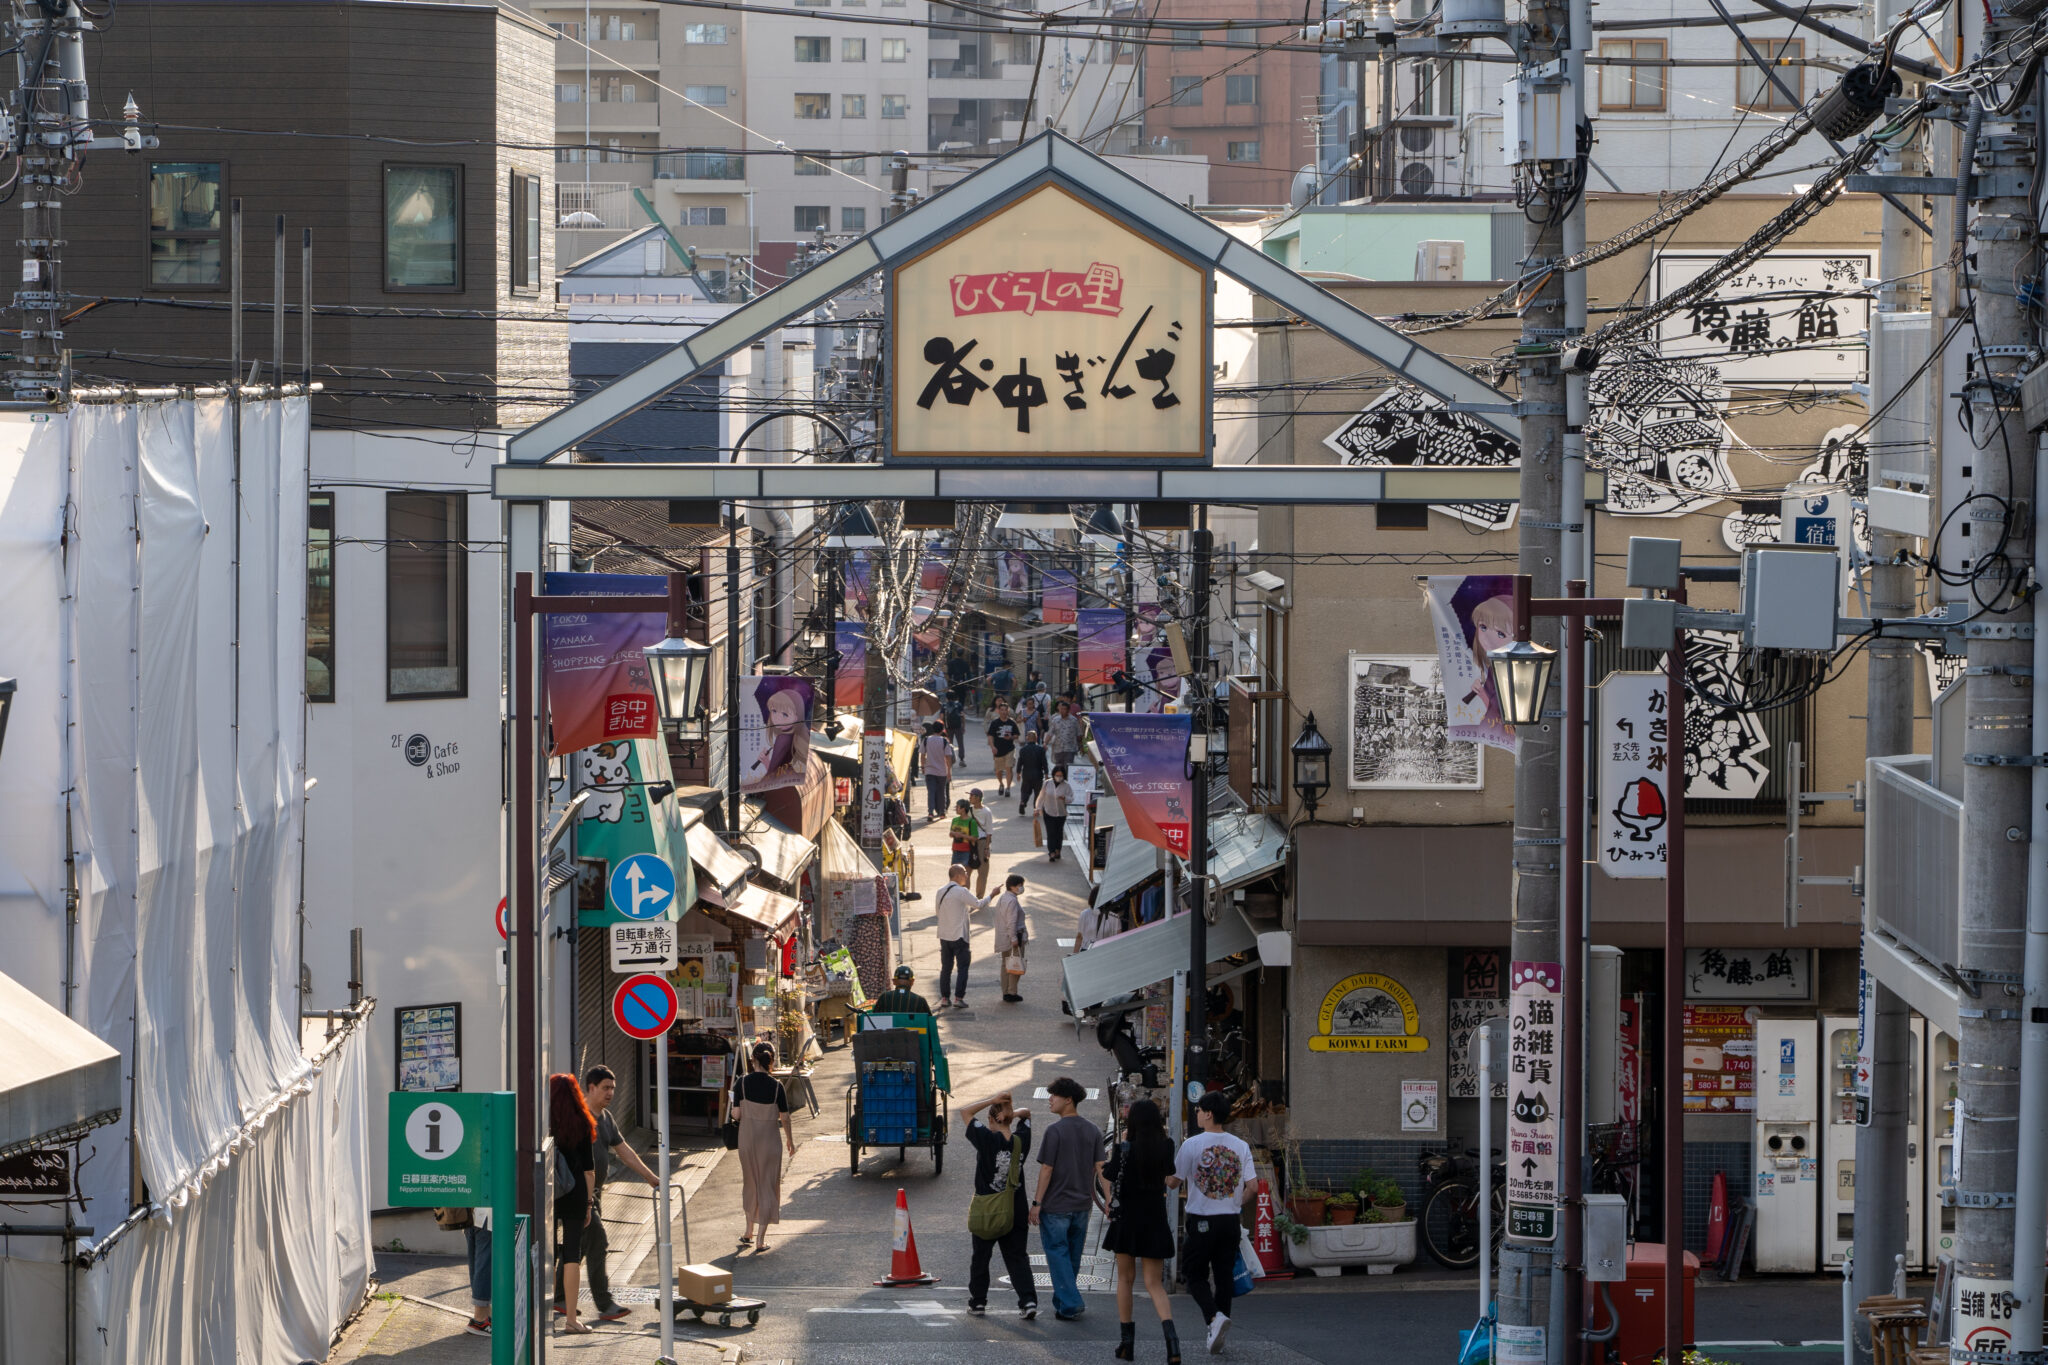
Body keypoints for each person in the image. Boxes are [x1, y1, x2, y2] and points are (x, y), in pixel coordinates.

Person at [556, 1065, 660, 1323]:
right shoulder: (578, 1118)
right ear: (590, 1088)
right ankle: (604, 1304)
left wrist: (650, 1177)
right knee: (598, 1241)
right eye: (605, 1088)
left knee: (577, 1248)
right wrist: (587, 1200)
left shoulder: (606, 1118)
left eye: (613, 1088)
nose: (611, 1093)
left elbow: (624, 1151)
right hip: (581, 1195)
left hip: (596, 1194)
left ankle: (559, 1298)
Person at [1175, 1091, 1256, 1353]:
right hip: (1230, 1221)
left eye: (1199, 1110)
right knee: (1223, 1277)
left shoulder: (1191, 1144)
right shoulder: (1240, 1145)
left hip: (1202, 1220)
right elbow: (1253, 1187)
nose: (1197, 1113)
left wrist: (1165, 1175)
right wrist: (1234, 1203)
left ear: (1209, 1113)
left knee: (1194, 1274)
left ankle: (1214, 1318)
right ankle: (1217, 1335)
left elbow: (1174, 1180)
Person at [1101, 1099, 1180, 1364]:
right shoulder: (1165, 1146)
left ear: (1132, 1121)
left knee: (1125, 1279)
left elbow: (1110, 1174)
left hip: (1127, 1221)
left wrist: (1121, 1144)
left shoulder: (1125, 1148)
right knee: (1154, 1284)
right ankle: (1172, 1344)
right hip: (1154, 1220)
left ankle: (1127, 1344)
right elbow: (1169, 1174)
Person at [1030, 1075, 1104, 1322]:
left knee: (1057, 1254)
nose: (1049, 1100)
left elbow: (1046, 1170)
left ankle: (1071, 1303)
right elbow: (1101, 1168)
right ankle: (1062, 1303)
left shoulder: (1054, 1131)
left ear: (1068, 1100)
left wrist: (1036, 1204)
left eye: (1054, 1096)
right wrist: (1110, 1200)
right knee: (1072, 1257)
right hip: (1082, 1205)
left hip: (1056, 1205)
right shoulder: (1093, 1130)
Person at [961, 1091, 1038, 1320]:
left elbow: (965, 1112)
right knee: (1017, 1257)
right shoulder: (1021, 1139)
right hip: (1015, 1209)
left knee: (981, 1257)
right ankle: (1028, 1300)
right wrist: (1012, 1112)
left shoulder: (986, 1139)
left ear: (993, 1120)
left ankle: (978, 1302)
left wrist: (992, 1101)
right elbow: (1027, 1114)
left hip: (988, 1210)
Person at [548, 1073, 599, 1334]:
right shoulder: (582, 1122)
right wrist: (589, 1204)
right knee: (572, 1256)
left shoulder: (543, 1122)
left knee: (544, 1251)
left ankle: (536, 1312)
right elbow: (590, 1170)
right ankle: (571, 1320)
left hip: (547, 1191)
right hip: (576, 1192)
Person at [735, 1042, 797, 1250]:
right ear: (770, 1062)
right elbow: (785, 1117)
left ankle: (748, 1232)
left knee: (750, 1183)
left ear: (753, 1060)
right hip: (770, 1141)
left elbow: (736, 1114)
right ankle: (761, 1239)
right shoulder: (776, 1086)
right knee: (768, 1186)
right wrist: (790, 1139)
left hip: (747, 1140)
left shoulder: (741, 1083)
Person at [933, 863, 980, 1008]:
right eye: (965, 873)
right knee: (963, 968)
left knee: (946, 968)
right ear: (958, 875)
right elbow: (978, 904)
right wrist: (992, 894)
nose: (967, 875)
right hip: (959, 936)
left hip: (944, 935)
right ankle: (958, 998)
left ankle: (945, 998)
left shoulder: (941, 891)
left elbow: (937, 912)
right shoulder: (962, 891)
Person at [986, 873, 1028, 1002]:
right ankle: (1012, 992)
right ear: (1012, 887)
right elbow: (1012, 922)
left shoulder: (1004, 898)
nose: (1021, 888)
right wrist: (1014, 938)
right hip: (1013, 938)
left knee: (1006, 964)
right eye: (1020, 885)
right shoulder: (1012, 901)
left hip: (1004, 937)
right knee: (1015, 964)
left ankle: (1006, 991)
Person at [1036, 766, 1075, 864]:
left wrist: (1065, 798)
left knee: (1058, 832)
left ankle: (1058, 849)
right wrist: (1038, 808)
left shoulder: (1066, 785)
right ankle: (1051, 852)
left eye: (1061, 776)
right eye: (1057, 775)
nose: (1059, 777)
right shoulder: (1047, 783)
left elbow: (1071, 797)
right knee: (1051, 832)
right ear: (1053, 775)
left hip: (1061, 813)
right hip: (1048, 811)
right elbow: (1041, 797)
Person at [462, 1206, 492, 1337]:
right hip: (488, 1214)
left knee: (477, 1264)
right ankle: (480, 1319)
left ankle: (484, 1314)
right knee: (485, 1265)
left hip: (470, 1212)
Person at [986, 701, 1021, 798]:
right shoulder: (995, 723)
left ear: (1008, 711)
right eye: (1002, 710)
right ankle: (1001, 784)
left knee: (1009, 768)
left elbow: (1017, 735)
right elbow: (990, 736)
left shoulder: (1012, 722)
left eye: (1005, 710)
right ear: (999, 711)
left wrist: (1011, 737)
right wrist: (992, 747)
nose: (1004, 712)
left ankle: (1008, 788)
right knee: (998, 771)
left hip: (1010, 749)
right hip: (998, 750)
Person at [922, 722, 955, 821]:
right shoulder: (944, 741)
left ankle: (930, 812)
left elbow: (922, 755)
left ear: (932, 729)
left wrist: (923, 767)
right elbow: (948, 757)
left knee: (931, 792)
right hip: (942, 771)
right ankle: (942, 812)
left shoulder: (926, 740)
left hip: (929, 770)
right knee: (942, 792)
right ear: (942, 730)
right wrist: (949, 771)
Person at [967, 788, 995, 897]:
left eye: (971, 796)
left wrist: (987, 848)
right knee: (967, 871)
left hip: (982, 842)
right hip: (969, 842)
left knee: (982, 872)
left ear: (978, 798)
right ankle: (965, 896)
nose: (969, 798)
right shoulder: (968, 810)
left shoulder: (986, 812)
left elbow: (989, 832)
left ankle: (979, 896)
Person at [1016, 729, 1049, 818]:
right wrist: (1046, 773)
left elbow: (1020, 762)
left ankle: (1023, 802)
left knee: (1025, 790)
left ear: (1027, 738)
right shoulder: (1041, 749)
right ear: (1036, 738)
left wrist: (1018, 772)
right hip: (1038, 773)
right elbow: (1044, 762)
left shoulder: (1023, 750)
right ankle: (1036, 808)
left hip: (1026, 773)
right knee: (1037, 792)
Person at [1046, 699, 1085, 771]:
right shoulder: (1055, 720)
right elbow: (1050, 733)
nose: (1063, 711)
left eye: (1065, 709)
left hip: (1070, 749)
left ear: (1068, 710)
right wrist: (1045, 743)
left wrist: (1081, 746)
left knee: (1068, 768)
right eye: (1061, 709)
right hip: (1058, 748)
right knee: (1059, 767)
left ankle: (1066, 781)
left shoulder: (1074, 720)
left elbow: (1079, 734)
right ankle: (1060, 781)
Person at [949, 798, 980, 875]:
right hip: (955, 850)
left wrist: (962, 835)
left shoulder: (971, 822)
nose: (956, 808)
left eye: (957, 807)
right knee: (954, 875)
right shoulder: (955, 820)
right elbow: (951, 833)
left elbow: (975, 837)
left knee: (965, 876)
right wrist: (953, 834)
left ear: (963, 809)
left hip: (966, 851)